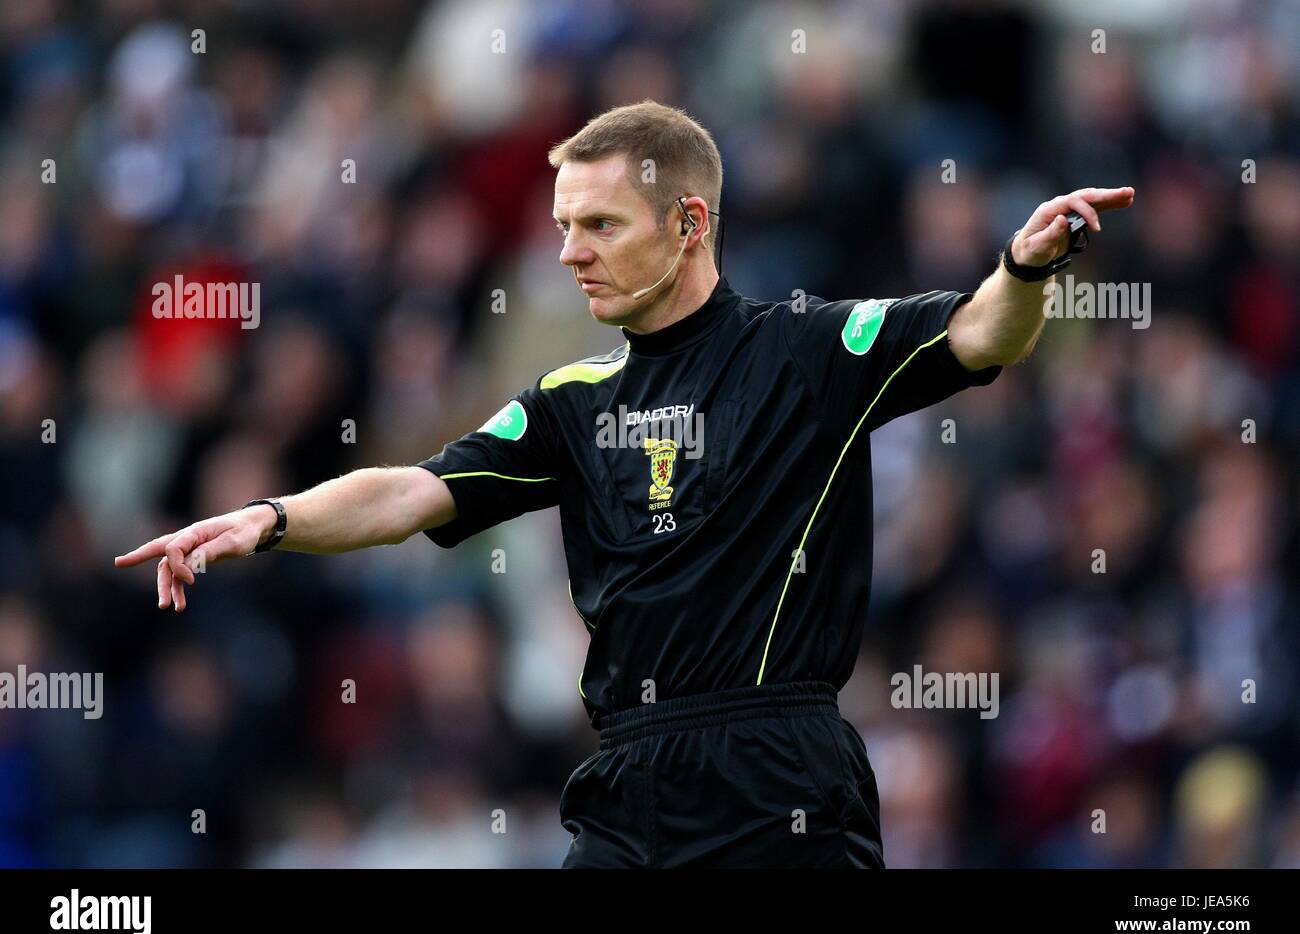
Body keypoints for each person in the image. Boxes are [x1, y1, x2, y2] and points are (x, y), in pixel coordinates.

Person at [116, 100, 1135, 867]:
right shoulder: (569, 398)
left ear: (688, 222)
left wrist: (1024, 266)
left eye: (599, 225)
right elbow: (410, 492)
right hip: (626, 781)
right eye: (564, 226)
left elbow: (973, 332)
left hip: (776, 770)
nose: (569, 253)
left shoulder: (805, 351)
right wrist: (274, 516)